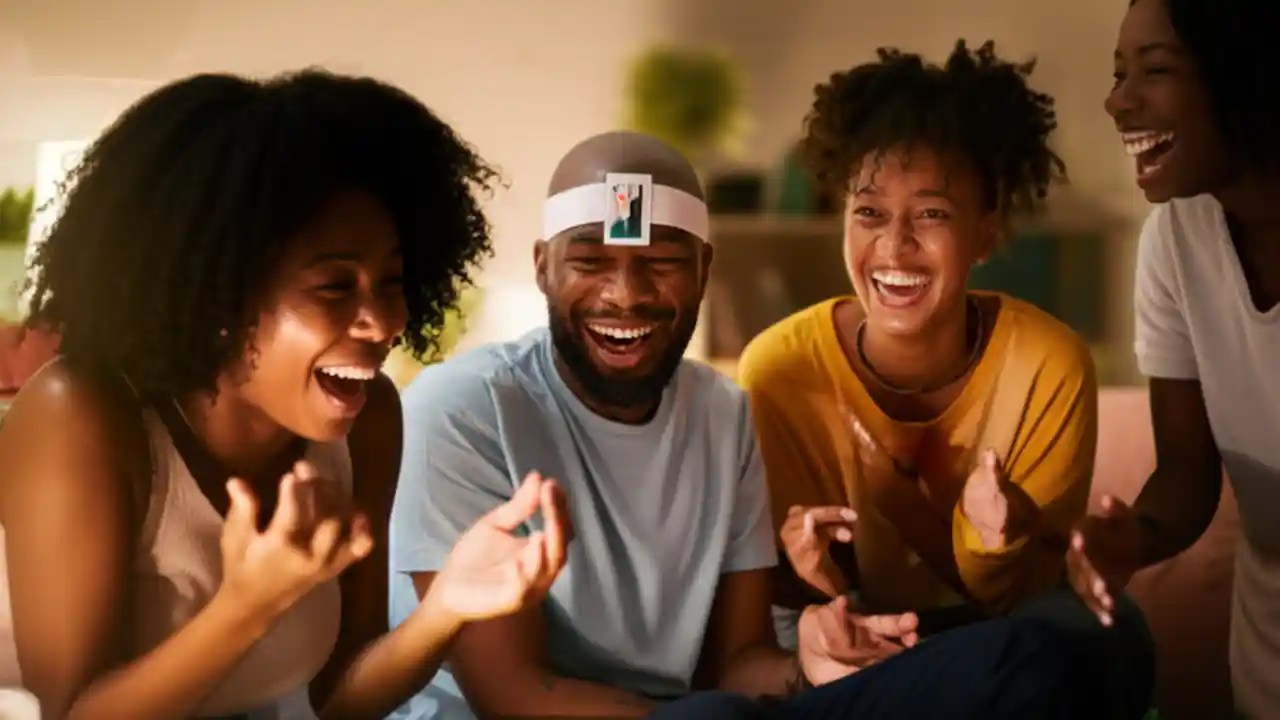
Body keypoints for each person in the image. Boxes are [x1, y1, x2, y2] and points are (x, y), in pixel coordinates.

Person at [389, 129, 1152, 720]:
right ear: (543, 268)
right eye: (590, 261)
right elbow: (514, 697)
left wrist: (809, 664)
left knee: (1080, 649)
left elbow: (741, 661)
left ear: (704, 273)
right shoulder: (464, 408)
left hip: (717, 713)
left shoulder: (723, 411)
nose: (626, 295)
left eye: (661, 261)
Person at [0, 70, 571, 720]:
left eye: (391, 281)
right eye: (335, 287)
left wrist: (444, 611)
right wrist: (247, 607)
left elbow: (339, 700)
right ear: (218, 295)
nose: (385, 322)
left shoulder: (368, 418)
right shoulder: (78, 414)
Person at [738, 38, 1101, 634]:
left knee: (1101, 637)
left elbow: (1033, 604)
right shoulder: (778, 369)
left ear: (987, 234)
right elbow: (775, 616)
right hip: (853, 664)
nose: (895, 245)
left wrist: (995, 538)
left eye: (932, 214)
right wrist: (806, 575)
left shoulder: (1049, 366)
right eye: (869, 213)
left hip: (1001, 650)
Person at [1072, 0, 1280, 715]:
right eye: (1119, 72)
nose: (1117, 100)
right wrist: (1130, 538)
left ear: (1246, 74)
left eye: (1155, 70)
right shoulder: (1175, 238)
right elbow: (1188, 471)